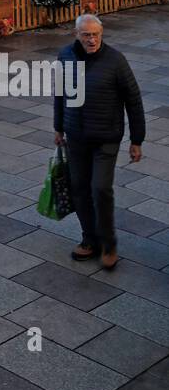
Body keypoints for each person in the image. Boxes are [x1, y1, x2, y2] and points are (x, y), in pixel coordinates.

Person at [53, 13, 146, 271]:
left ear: (101, 34)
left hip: (106, 138)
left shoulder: (116, 60)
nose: (92, 39)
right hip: (76, 137)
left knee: (100, 189)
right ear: (77, 35)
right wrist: (58, 126)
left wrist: (137, 139)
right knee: (79, 188)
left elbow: (134, 100)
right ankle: (89, 239)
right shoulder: (65, 56)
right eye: (86, 35)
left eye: (96, 35)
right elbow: (60, 93)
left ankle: (108, 244)